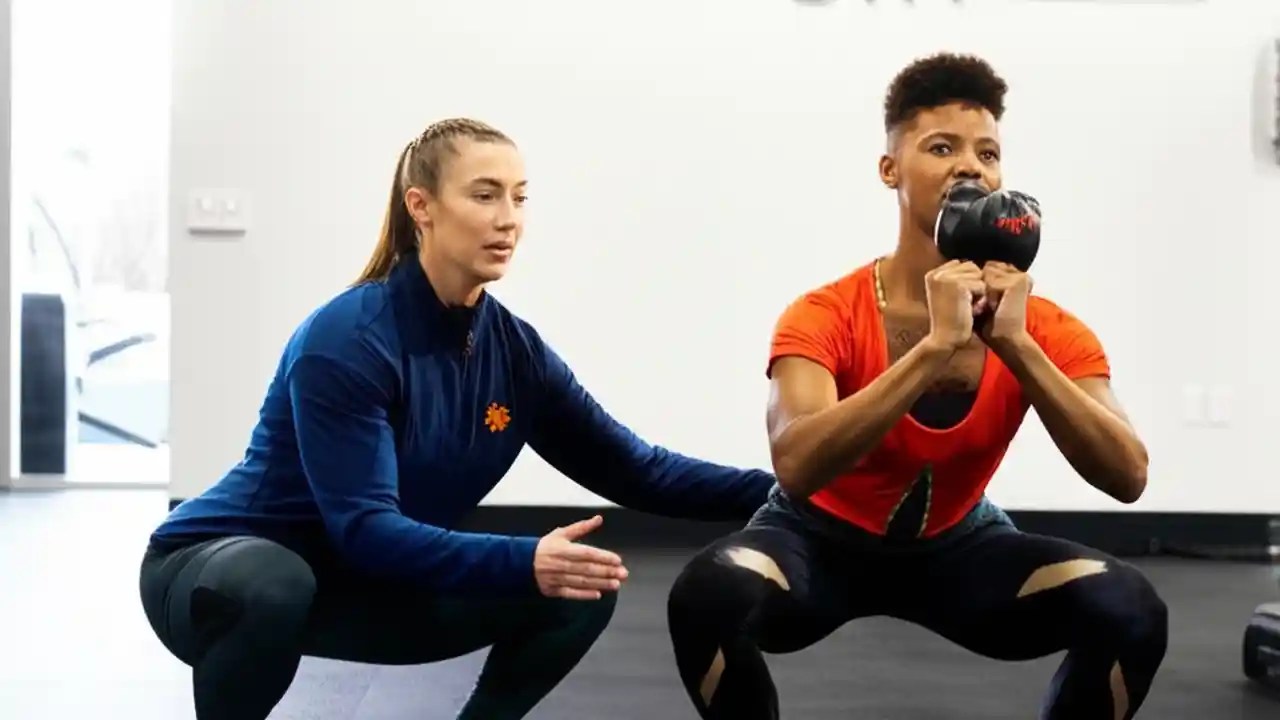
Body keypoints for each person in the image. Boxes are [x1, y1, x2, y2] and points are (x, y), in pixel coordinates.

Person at [138, 117, 777, 720]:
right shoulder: (348, 340)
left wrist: (791, 488)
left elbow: (641, 472)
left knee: (581, 587)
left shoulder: (515, 352)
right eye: (484, 195)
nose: (508, 221)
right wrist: (523, 557)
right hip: (214, 572)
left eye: (519, 199)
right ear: (422, 207)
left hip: (358, 585)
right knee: (271, 584)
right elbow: (365, 528)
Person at [666, 52, 1168, 719]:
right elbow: (796, 463)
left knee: (1129, 607)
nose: (970, 166)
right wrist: (934, 349)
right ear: (890, 169)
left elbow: (1128, 475)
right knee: (709, 594)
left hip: (959, 549)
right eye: (941, 147)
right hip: (817, 542)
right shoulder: (824, 313)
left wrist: (1015, 346)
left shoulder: (1043, 327)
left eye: (987, 153)